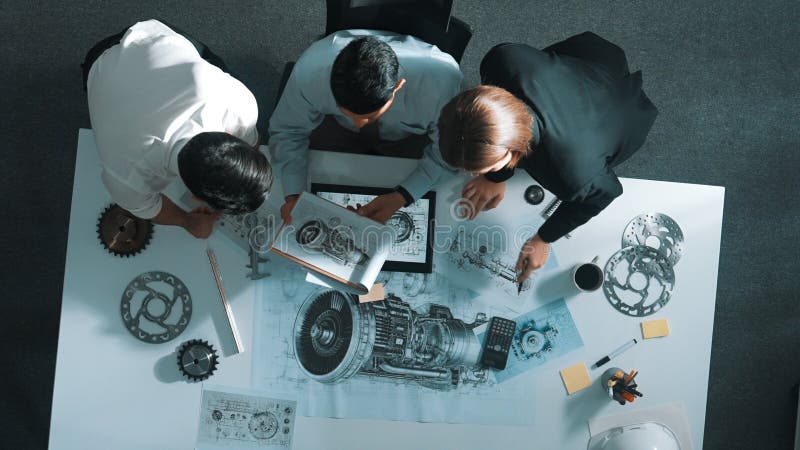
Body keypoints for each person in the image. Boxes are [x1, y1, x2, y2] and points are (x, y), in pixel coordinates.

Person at [438, 32, 658, 282]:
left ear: (514, 152)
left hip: (623, 113)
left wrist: (544, 238)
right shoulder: (502, 59)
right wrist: (495, 176)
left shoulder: (574, 173)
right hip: (590, 58)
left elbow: (604, 194)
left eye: (481, 168)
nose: (474, 174)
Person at [84, 19, 272, 238]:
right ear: (196, 198)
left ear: (230, 135)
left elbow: (250, 143)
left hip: (153, 40)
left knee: (211, 62)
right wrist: (187, 222)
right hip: (101, 61)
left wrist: (243, 174)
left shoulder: (238, 103)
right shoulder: (128, 178)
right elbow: (147, 209)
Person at [269, 30, 463, 224]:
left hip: (406, 139)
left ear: (397, 86)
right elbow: (288, 131)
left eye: (369, 117)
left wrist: (404, 195)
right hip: (336, 128)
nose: (358, 124)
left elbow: (446, 152)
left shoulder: (442, 83)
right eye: (346, 110)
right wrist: (294, 196)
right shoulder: (311, 69)